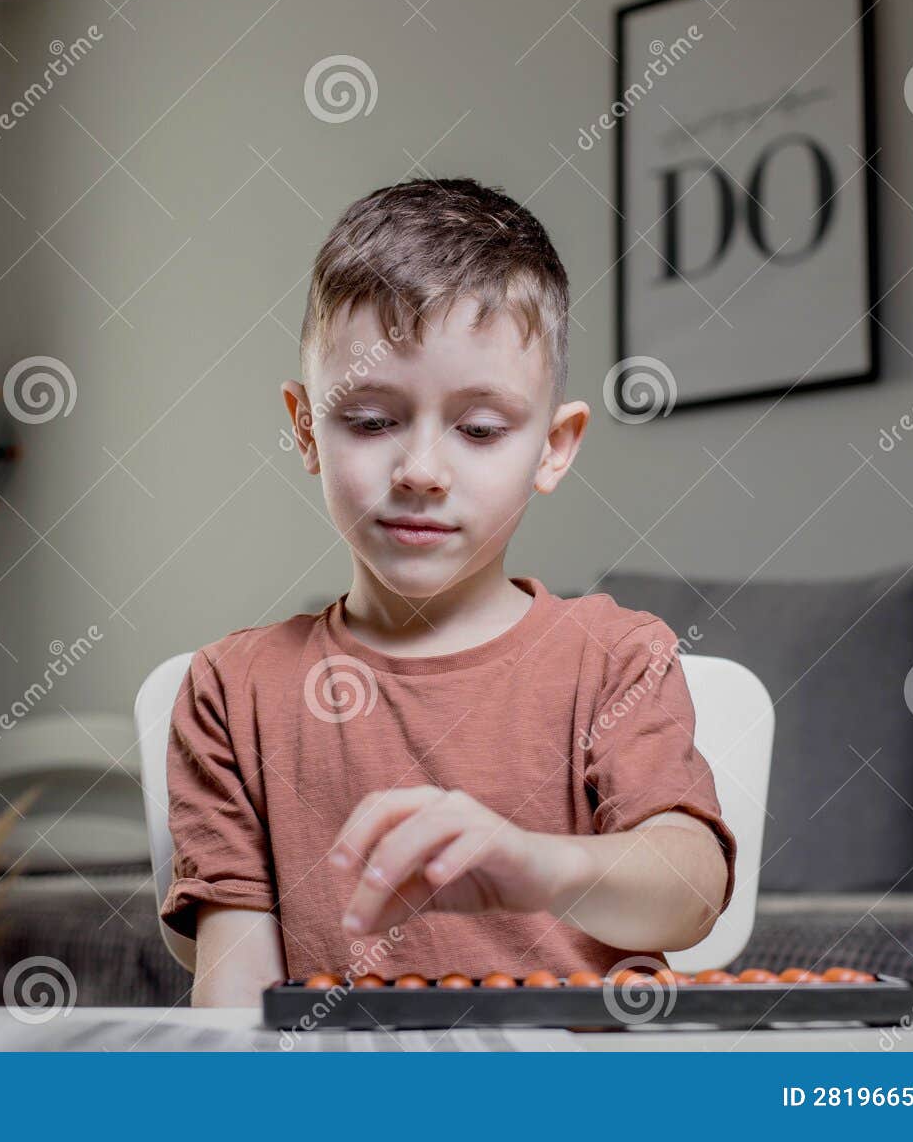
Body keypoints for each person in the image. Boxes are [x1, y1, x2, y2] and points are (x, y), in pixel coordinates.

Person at [163, 177, 736, 1007]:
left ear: (554, 446)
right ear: (304, 430)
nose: (422, 472)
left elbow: (691, 888)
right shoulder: (232, 692)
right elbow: (235, 1017)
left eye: (478, 430)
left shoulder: (617, 657)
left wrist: (531, 863)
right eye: (368, 420)